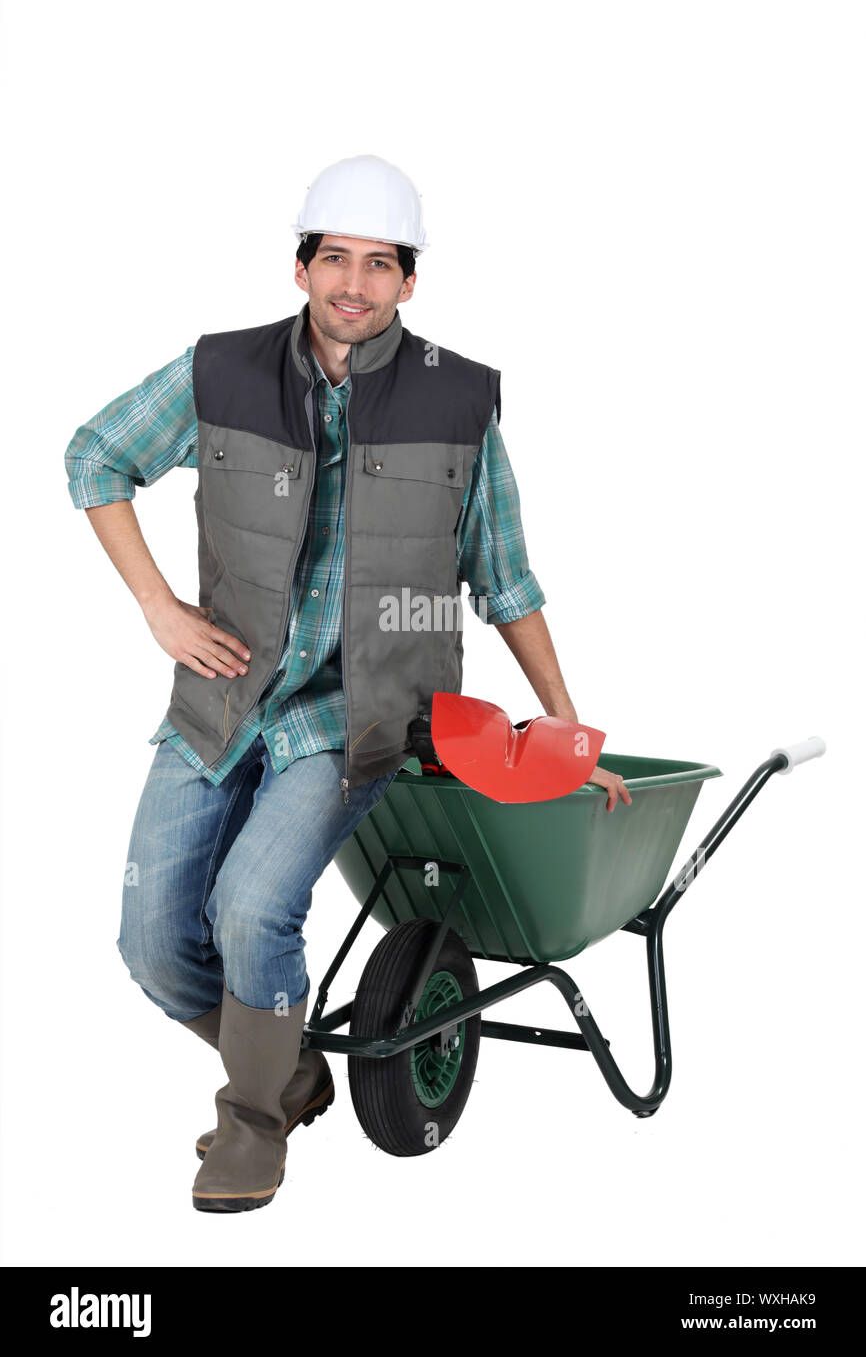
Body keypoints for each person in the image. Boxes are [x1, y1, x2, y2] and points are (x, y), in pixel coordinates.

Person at [64, 154, 630, 1213]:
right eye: (336, 259)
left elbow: (503, 581)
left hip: (356, 717)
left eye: (381, 264)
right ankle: (286, 1069)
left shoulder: (457, 403)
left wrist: (564, 726)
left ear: (408, 283)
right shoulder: (218, 373)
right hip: (223, 700)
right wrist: (158, 609)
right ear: (300, 267)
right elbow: (94, 457)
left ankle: (252, 1123)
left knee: (250, 910)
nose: (355, 285)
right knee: (151, 939)